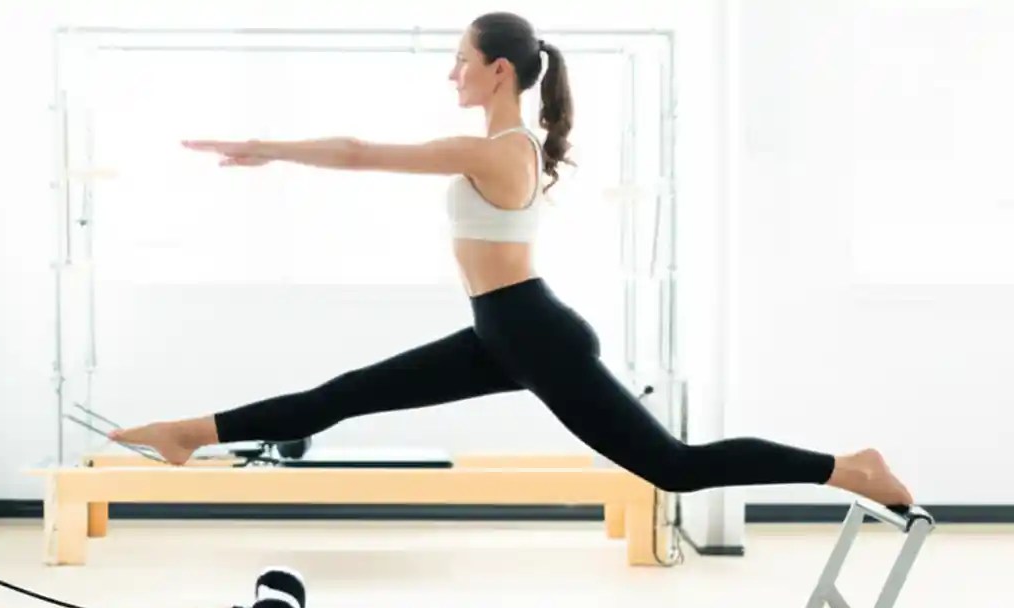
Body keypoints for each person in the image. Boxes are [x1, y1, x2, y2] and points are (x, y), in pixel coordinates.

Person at [111, 12, 914, 507]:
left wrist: (266, 148)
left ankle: (847, 466)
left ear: (500, 70)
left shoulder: (494, 148)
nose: (451, 72)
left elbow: (359, 153)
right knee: (348, 395)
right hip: (506, 329)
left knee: (673, 468)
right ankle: (188, 431)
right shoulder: (499, 146)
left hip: (532, 332)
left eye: (461, 58)